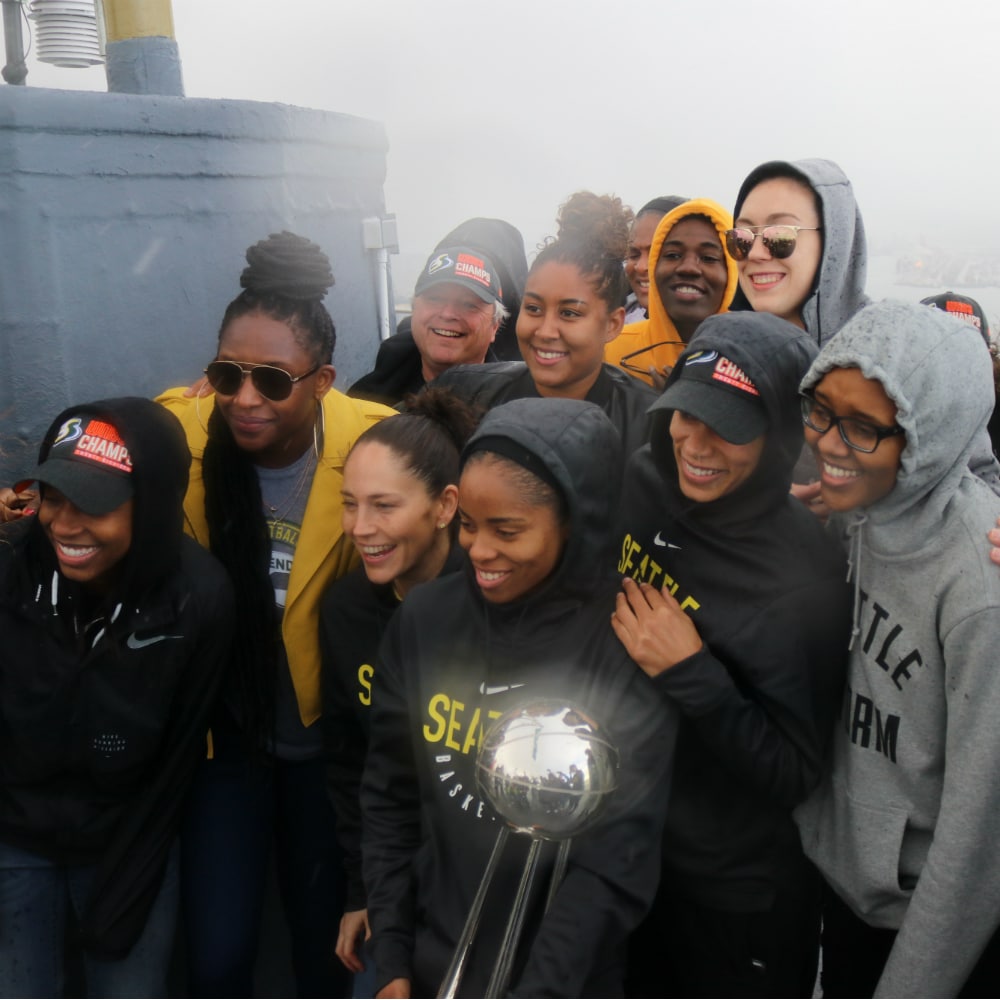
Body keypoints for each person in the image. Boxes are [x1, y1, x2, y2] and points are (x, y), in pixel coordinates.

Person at [361, 397, 676, 998]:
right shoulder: (425, 619)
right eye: (469, 526)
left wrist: (538, 990)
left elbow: (619, 855)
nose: (478, 551)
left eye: (508, 531)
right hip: (430, 958)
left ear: (576, 521)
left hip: (562, 977)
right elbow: (389, 796)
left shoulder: (624, 644)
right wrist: (394, 958)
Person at [156, 230, 394, 996]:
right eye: (227, 374)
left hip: (328, 748)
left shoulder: (371, 443)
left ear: (322, 380)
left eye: (271, 380)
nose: (245, 399)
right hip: (227, 741)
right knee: (219, 955)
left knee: (324, 948)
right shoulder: (179, 433)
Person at [610, 312, 850, 996]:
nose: (695, 443)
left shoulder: (804, 578)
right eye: (685, 412)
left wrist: (693, 675)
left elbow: (798, 772)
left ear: (777, 436)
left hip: (734, 896)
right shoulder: (644, 481)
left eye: (730, 426)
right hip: (630, 852)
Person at [794, 300, 1000, 998]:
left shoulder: (981, 588)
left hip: (926, 930)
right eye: (820, 409)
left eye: (863, 429)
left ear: (929, 436)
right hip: (845, 888)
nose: (827, 443)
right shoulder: (853, 513)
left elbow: (979, 841)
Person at [0, 397, 233, 996]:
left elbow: (184, 747)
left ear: (152, 505)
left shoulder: (198, 596)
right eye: (53, 496)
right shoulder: (11, 570)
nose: (65, 524)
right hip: (16, 838)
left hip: (131, 841)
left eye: (96, 504)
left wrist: (134, 868)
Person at [320, 388, 479, 981]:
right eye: (350, 503)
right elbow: (348, 763)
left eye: (384, 506)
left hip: (481, 886)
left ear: (445, 506)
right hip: (392, 885)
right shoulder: (346, 610)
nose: (361, 528)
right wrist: (362, 892)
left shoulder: (490, 601)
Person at [433, 191, 658, 455]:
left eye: (570, 313)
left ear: (613, 324)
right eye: (534, 309)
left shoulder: (649, 426)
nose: (545, 331)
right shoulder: (462, 394)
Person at [349, 218, 526, 405]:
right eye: (435, 299)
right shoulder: (368, 397)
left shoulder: (515, 408)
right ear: (414, 309)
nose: (447, 313)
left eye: (469, 305)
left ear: (495, 326)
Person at [727, 158, 869, 343]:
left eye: (780, 236)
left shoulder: (882, 356)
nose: (755, 253)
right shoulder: (721, 356)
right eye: (743, 237)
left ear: (834, 242)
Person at [606, 197, 738, 388]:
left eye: (708, 258)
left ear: (733, 270)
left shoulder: (758, 361)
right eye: (672, 255)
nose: (688, 268)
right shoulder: (610, 351)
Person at [623, 195, 688, 324]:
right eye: (634, 254)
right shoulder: (615, 331)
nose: (641, 267)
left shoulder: (726, 336)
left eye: (656, 254)